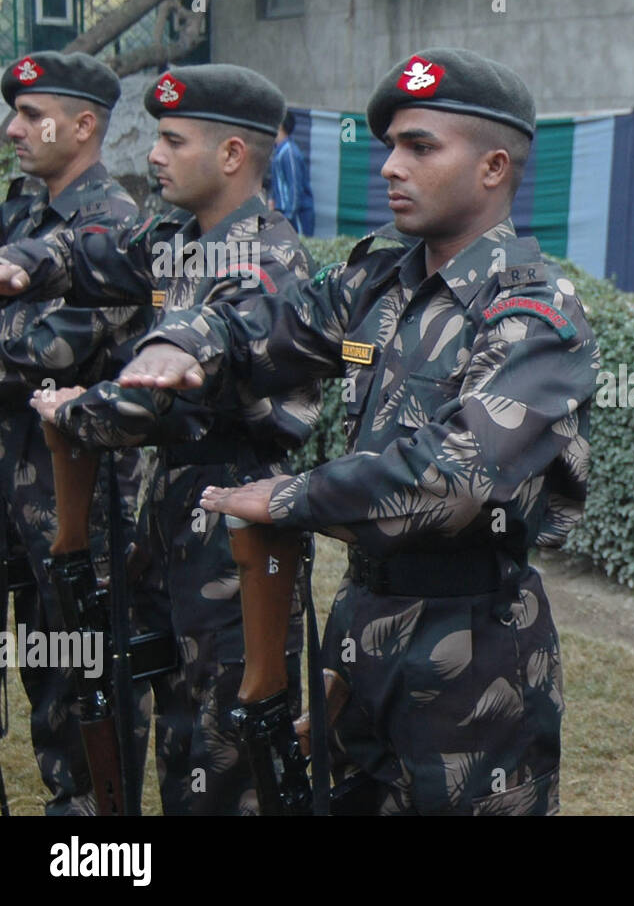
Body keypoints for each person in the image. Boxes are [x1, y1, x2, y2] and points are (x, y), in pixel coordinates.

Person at [100, 47, 598, 815]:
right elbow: (268, 330)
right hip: (363, 630)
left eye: (420, 147)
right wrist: (185, 341)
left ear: (494, 167)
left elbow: (458, 477)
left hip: (476, 654)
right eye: (390, 146)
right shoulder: (377, 283)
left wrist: (292, 496)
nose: (390, 167)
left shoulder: (535, 311)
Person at [0, 63, 319, 815]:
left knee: (229, 743)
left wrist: (79, 407)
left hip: (234, 522)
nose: (153, 155)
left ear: (233, 155)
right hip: (169, 513)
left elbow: (161, 391)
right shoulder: (175, 237)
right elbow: (91, 254)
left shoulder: (269, 256)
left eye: (174, 141)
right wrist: (23, 261)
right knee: (178, 731)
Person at [0, 50, 149, 815]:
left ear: (83, 123)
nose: (12, 128)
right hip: (8, 484)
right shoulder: (16, 215)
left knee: (81, 690)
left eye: (30, 114)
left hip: (74, 501)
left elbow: (46, 351)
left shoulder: (117, 232)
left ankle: (94, 854)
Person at [270, 110, 314, 236]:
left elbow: (294, 187)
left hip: (297, 217)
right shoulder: (279, 151)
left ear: (280, 126)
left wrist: (289, 216)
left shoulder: (289, 152)